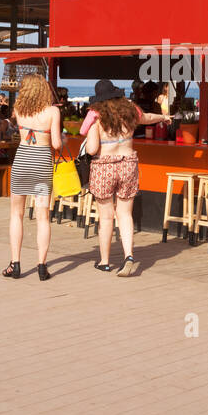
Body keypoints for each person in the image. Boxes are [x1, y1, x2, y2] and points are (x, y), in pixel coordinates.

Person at [2, 74, 61, 281]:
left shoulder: (19, 110)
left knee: (16, 214)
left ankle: (15, 263)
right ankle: (42, 266)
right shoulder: (53, 111)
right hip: (42, 165)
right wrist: (62, 137)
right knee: (43, 217)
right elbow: (56, 145)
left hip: (22, 163)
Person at [83, 83, 143, 276]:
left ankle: (105, 261)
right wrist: (165, 118)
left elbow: (92, 150)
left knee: (106, 217)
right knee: (125, 215)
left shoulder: (96, 119)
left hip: (104, 167)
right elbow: (147, 118)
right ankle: (129, 256)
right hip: (128, 163)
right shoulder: (130, 113)